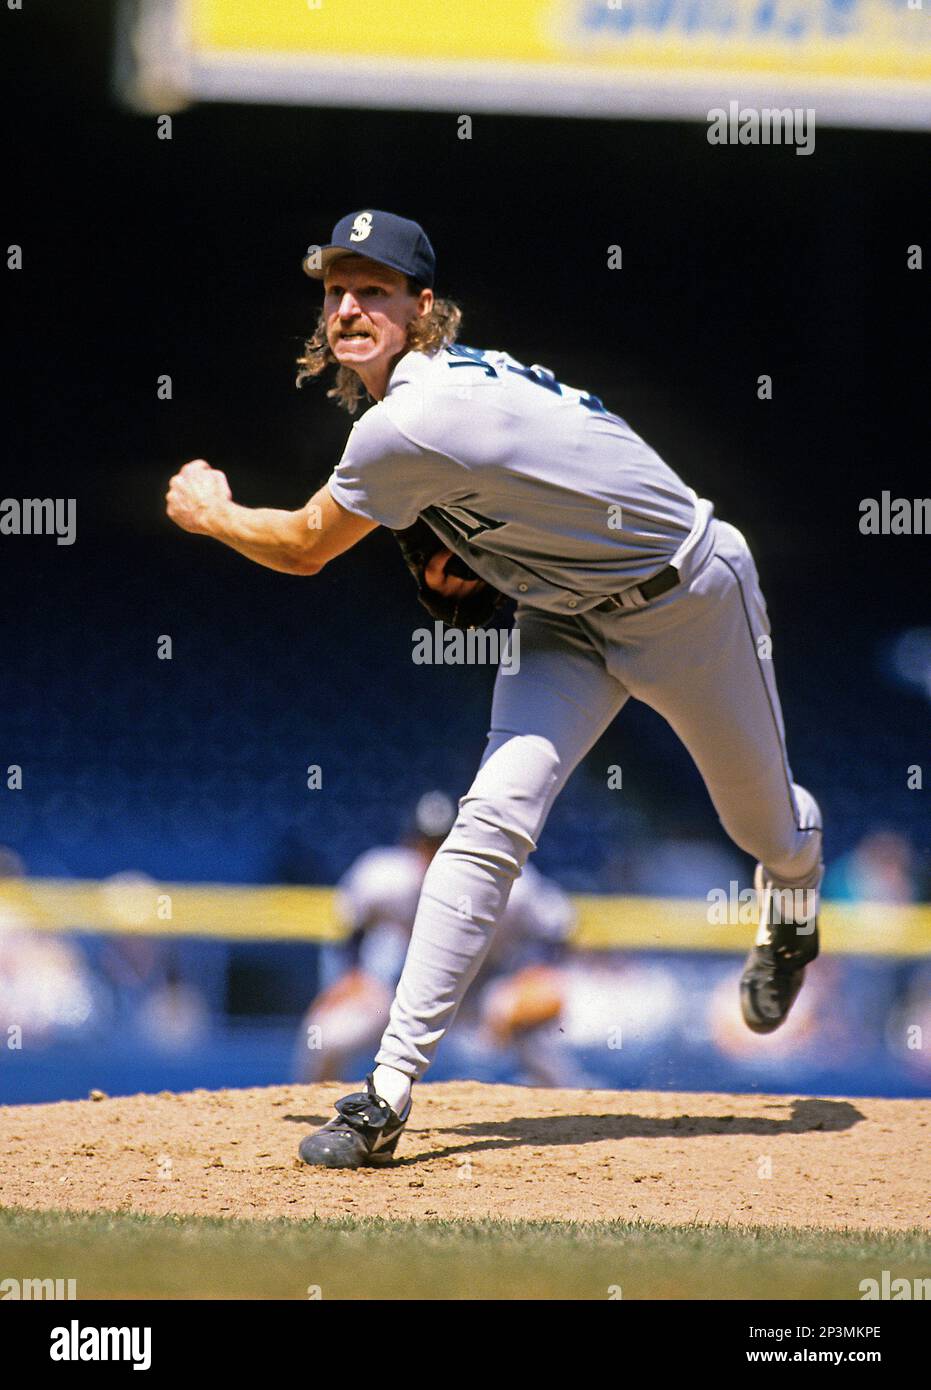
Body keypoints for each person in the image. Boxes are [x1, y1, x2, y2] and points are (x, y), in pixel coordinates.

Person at [166, 209, 824, 1169]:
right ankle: (386, 1093)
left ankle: (794, 909)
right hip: (562, 615)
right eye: (336, 290)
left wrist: (214, 512)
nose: (348, 306)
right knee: (488, 821)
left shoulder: (413, 417)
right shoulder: (426, 402)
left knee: (765, 828)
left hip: (687, 598)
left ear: (422, 307)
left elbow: (304, 546)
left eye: (374, 290)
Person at [293, 791, 575, 1087]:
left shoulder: (509, 882)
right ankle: (314, 1104)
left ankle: (568, 1105)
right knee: (328, 1035)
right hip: (406, 993)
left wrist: (540, 972)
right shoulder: (386, 879)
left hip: (485, 994)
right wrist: (352, 974)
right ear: (410, 845)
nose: (435, 851)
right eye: (427, 843)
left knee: (534, 1040)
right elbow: (351, 929)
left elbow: (556, 926)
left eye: (444, 842)